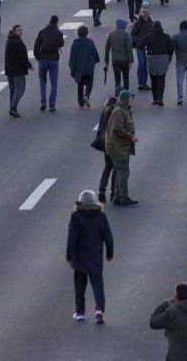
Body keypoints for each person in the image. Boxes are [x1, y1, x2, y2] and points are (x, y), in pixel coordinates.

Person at [66, 189, 114, 324]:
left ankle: (80, 311)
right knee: (98, 284)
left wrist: (69, 257)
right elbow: (108, 238)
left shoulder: (76, 216)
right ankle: (99, 310)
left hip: (80, 257)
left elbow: (71, 240)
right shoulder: (101, 216)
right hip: (95, 256)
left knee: (80, 284)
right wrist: (109, 253)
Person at [105, 90, 138, 206]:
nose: (132, 101)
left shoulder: (124, 110)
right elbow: (117, 129)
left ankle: (117, 197)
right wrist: (131, 137)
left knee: (121, 171)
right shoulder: (119, 111)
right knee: (123, 171)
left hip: (121, 146)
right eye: (130, 99)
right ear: (125, 100)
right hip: (118, 147)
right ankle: (123, 197)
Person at [33, 15, 65, 112]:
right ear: (57, 22)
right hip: (53, 60)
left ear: (49, 21)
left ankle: (43, 102)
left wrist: (38, 57)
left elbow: (36, 46)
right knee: (54, 83)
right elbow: (61, 44)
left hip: (43, 59)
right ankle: (52, 105)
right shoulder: (58, 33)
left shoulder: (42, 32)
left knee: (42, 82)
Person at [69, 25, 101, 109]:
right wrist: (93, 62)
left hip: (80, 67)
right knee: (90, 83)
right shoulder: (90, 42)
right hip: (89, 67)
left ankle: (81, 102)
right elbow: (94, 54)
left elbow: (73, 55)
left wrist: (72, 65)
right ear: (87, 33)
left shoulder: (75, 42)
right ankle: (87, 95)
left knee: (80, 84)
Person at [4, 24, 32, 118]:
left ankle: (13, 109)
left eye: (21, 30)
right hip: (18, 70)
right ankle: (13, 107)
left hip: (9, 69)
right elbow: (21, 56)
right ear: (14, 31)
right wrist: (29, 66)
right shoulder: (17, 41)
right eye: (19, 30)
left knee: (13, 90)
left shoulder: (10, 40)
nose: (21, 32)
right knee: (20, 89)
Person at [104, 19, 134, 92]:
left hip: (115, 60)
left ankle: (117, 94)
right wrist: (131, 60)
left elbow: (107, 49)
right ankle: (126, 94)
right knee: (126, 78)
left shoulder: (111, 35)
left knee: (117, 78)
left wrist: (106, 60)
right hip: (125, 60)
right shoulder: (127, 35)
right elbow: (129, 49)